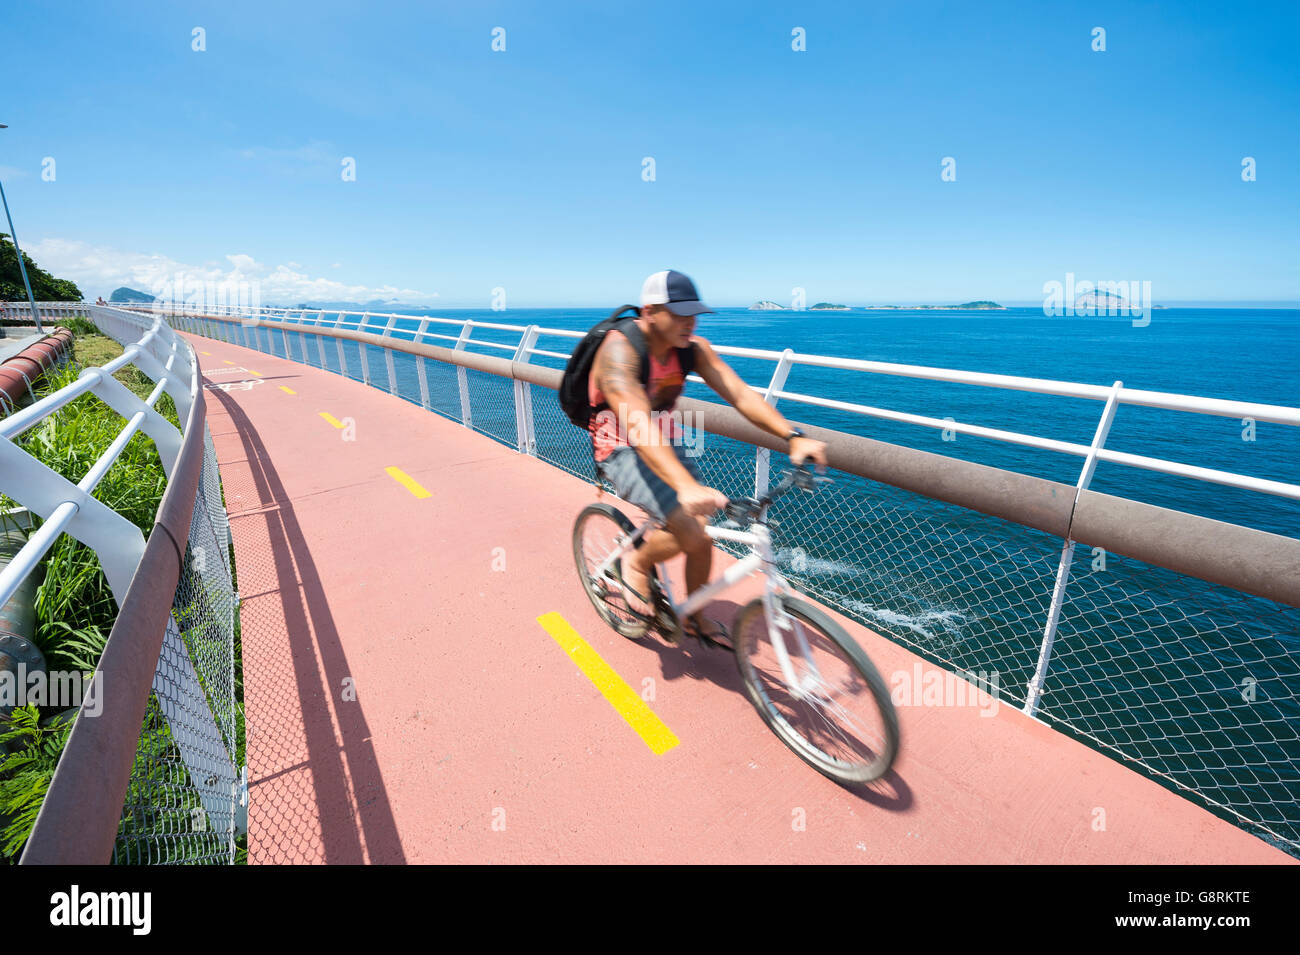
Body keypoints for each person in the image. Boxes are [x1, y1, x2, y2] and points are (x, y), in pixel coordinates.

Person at [588, 269, 827, 643]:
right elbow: (635, 420)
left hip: (662, 436)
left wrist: (792, 436)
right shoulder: (619, 351)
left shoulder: (692, 350)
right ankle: (636, 561)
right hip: (618, 442)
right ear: (649, 312)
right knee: (689, 527)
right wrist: (684, 486)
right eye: (680, 314)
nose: (690, 322)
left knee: (701, 533)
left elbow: (739, 393)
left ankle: (694, 617)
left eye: (694, 313)